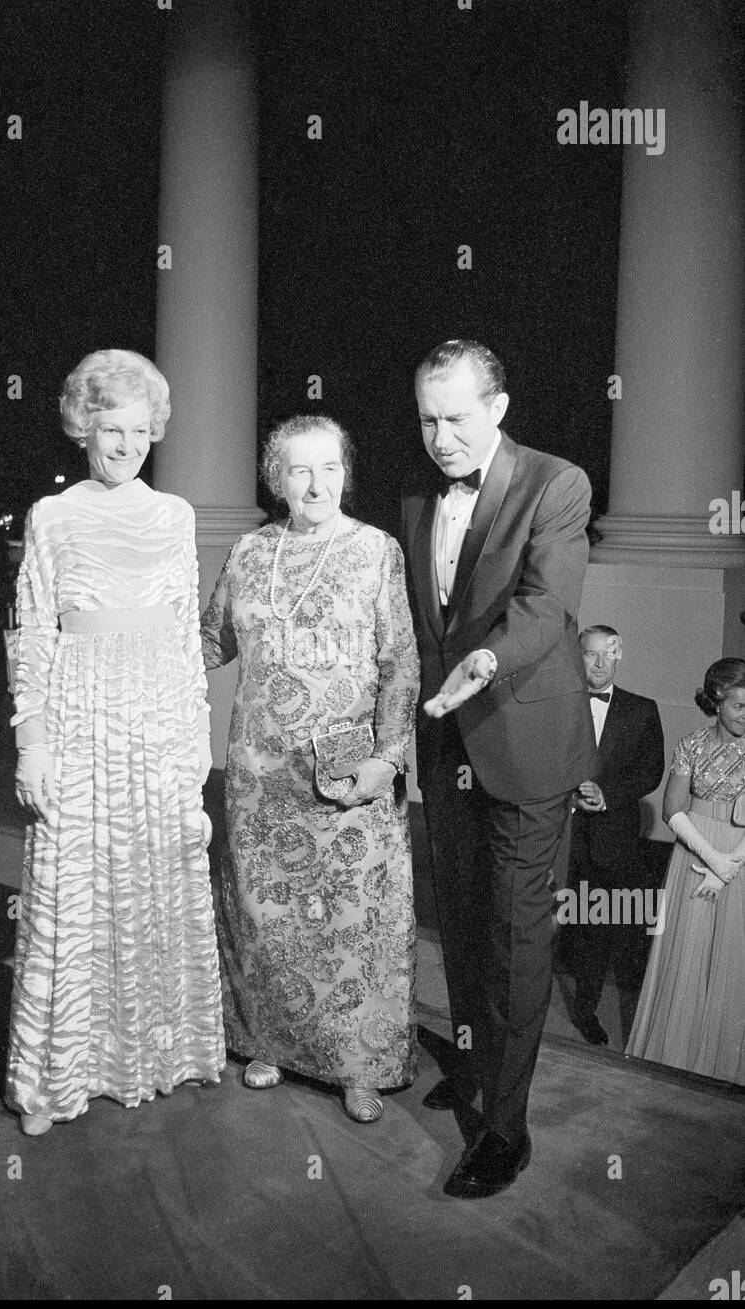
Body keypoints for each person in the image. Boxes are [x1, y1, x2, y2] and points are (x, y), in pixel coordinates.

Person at [7, 349, 224, 1135]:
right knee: (73, 891)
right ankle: (56, 1079)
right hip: (76, 715)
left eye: (139, 429)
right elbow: (31, 632)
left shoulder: (174, 515)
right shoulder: (51, 516)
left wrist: (194, 744)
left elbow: (182, 636)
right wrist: (31, 744)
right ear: (82, 429)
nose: (126, 444)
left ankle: (157, 1056)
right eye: (110, 428)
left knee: (151, 885)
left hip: (156, 718)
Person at [400, 338, 595, 1198]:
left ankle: (503, 1132)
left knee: (518, 941)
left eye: (457, 417)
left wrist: (478, 667)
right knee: (466, 928)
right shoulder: (415, 502)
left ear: (499, 408)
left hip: (523, 744)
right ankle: (476, 1064)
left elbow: (544, 608)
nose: (440, 437)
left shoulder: (557, 482)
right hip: (446, 751)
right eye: (427, 419)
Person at [201, 415, 419, 1123]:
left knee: (354, 921)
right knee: (268, 920)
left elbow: (400, 663)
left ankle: (358, 1065)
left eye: (329, 467)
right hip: (260, 773)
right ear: (277, 479)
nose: (316, 483)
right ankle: (272, 1043)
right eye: (299, 470)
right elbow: (206, 644)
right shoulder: (246, 553)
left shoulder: (373, 551)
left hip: (349, 769)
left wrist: (387, 758)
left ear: (346, 473)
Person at [626, 658, 745, 1085]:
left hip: (740, 861)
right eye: (739, 707)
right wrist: (710, 856)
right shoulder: (691, 744)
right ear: (716, 701)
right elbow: (673, 809)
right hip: (694, 857)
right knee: (688, 952)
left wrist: (729, 864)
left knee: (735, 959)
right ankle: (677, 1057)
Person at [564, 625, 665, 1044]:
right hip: (553, 835)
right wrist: (568, 791)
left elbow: (650, 772)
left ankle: (585, 1012)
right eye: (591, 654)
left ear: (620, 656)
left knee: (594, 930)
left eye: (609, 654)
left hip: (609, 841)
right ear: (578, 655)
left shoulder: (642, 710)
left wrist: (606, 795)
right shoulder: (555, 706)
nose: (601, 663)